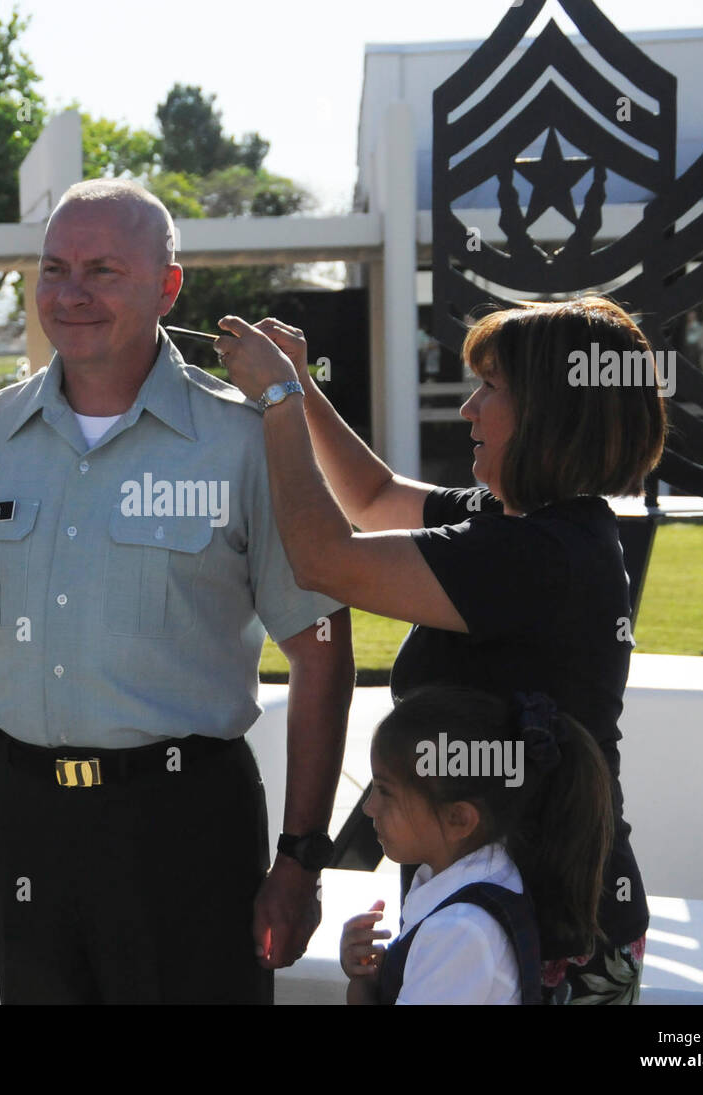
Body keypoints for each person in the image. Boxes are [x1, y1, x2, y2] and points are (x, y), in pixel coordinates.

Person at [0, 179, 355, 1004]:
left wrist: (300, 858)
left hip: (186, 826)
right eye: (54, 268)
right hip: (25, 818)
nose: (70, 294)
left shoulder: (246, 441)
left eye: (104, 270)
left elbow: (322, 650)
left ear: (167, 285)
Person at [218, 296, 666, 1004]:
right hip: (493, 911)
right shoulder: (524, 522)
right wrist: (300, 386)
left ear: (553, 414)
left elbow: (323, 558)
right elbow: (370, 495)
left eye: (492, 388)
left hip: (543, 928)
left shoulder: (536, 554)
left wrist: (276, 398)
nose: (468, 409)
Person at [340, 686, 612, 1005]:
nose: (369, 807)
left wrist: (361, 991)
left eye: (385, 792)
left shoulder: (459, 931)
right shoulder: (474, 886)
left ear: (459, 819)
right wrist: (371, 978)